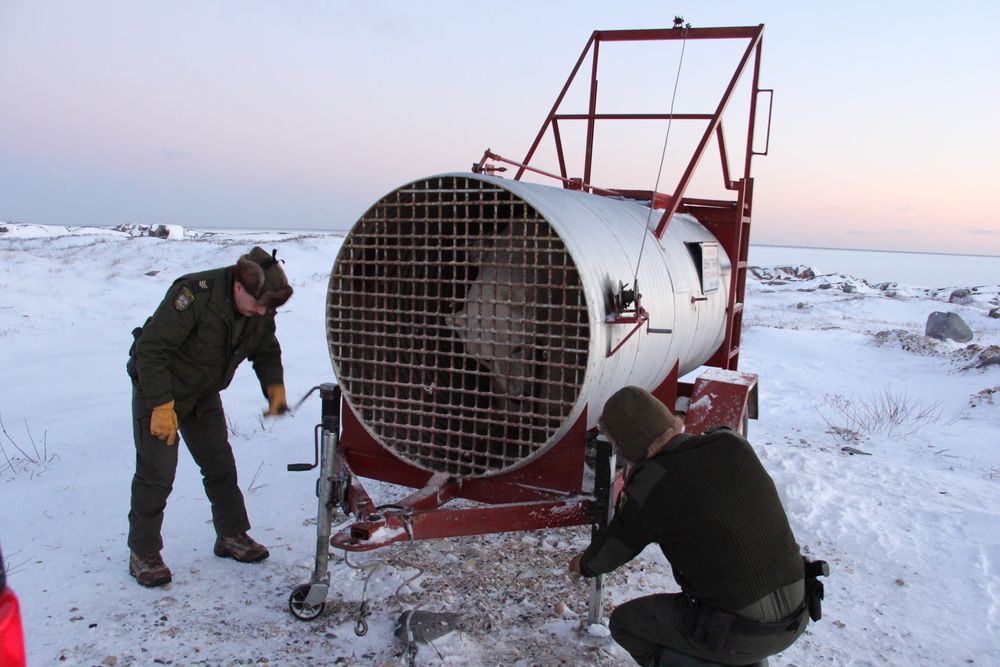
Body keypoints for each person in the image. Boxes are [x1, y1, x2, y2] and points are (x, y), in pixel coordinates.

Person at [570, 386, 822, 667]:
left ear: (626, 446)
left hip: (744, 629)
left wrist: (583, 565)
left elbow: (614, 548)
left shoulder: (654, 483)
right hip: (798, 610)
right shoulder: (730, 443)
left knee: (628, 624)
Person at [125, 246, 294, 587]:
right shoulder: (194, 295)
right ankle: (143, 552)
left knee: (219, 465)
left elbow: (266, 349)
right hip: (160, 390)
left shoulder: (259, 307)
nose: (262, 312)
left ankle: (231, 535)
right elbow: (151, 350)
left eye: (268, 307)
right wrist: (161, 405)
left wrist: (275, 390)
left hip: (202, 393)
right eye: (258, 304)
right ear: (238, 286)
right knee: (157, 474)